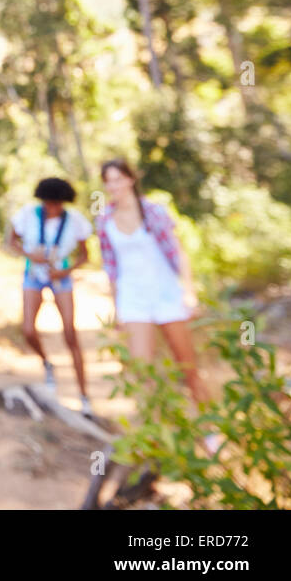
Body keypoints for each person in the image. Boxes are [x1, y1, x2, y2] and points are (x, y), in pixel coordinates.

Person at [96, 159, 210, 410]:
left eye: (118, 179)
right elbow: (111, 269)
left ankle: (210, 434)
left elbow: (178, 252)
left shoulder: (153, 212)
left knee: (188, 367)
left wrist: (188, 291)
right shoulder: (104, 221)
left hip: (166, 293)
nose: (113, 185)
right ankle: (155, 438)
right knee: (142, 373)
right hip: (133, 299)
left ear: (130, 179)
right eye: (108, 181)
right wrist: (117, 311)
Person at [5, 177, 93, 414]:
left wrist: (67, 270)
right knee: (28, 330)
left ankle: (84, 396)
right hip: (33, 273)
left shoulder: (75, 221)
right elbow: (11, 240)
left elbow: (85, 255)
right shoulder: (28, 214)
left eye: (56, 203)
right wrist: (30, 255)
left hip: (60, 276)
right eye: (48, 203)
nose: (52, 208)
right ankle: (47, 363)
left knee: (69, 333)